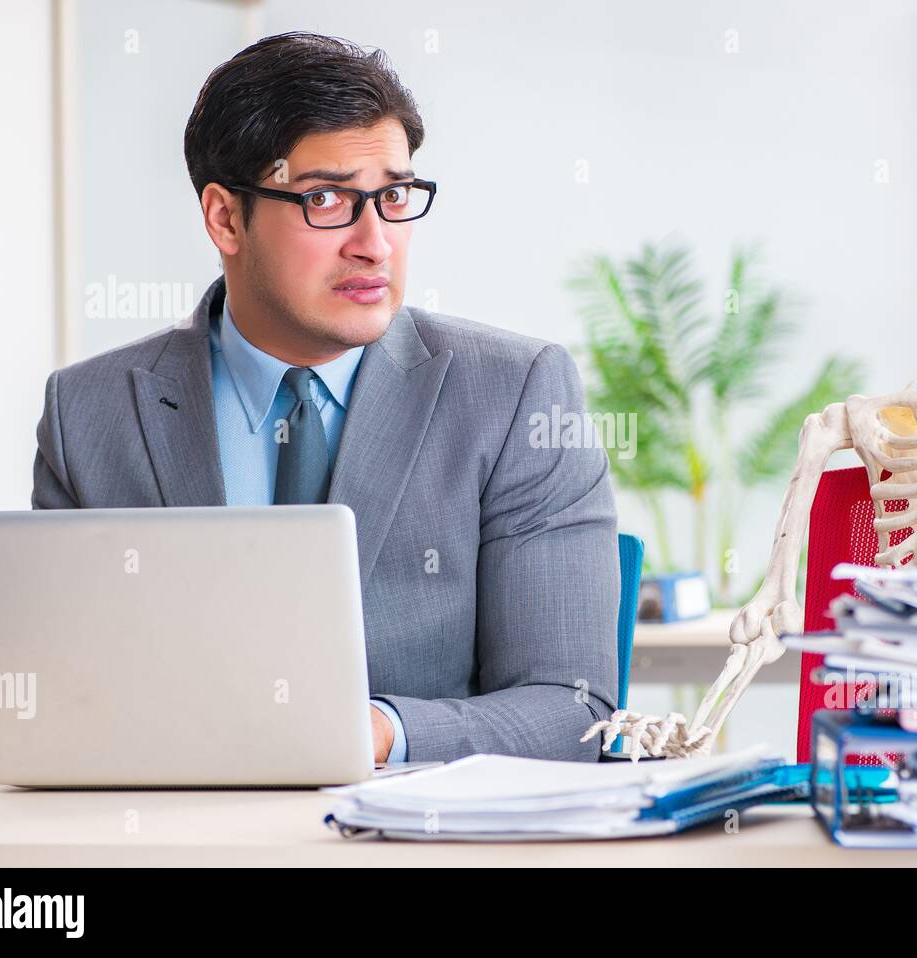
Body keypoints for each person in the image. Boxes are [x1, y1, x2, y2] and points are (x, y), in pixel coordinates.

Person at [31, 32, 620, 764]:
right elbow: (61, 707)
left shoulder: (515, 395)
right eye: (327, 199)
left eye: (395, 196)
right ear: (224, 218)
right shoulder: (89, 414)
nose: (375, 243)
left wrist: (376, 732)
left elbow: (573, 711)